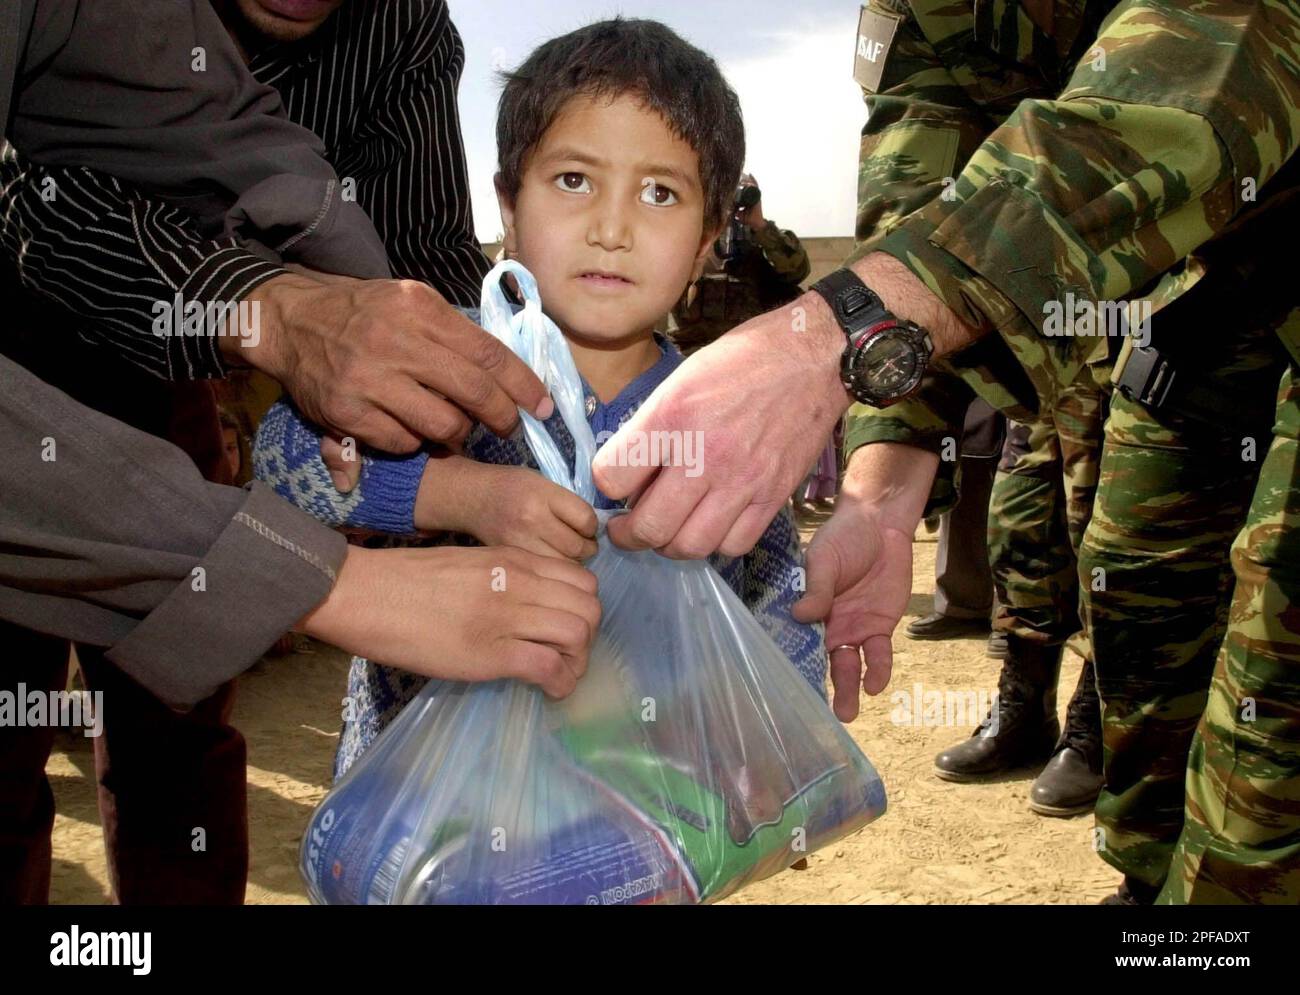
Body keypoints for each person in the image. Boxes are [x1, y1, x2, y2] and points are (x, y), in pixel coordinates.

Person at [589, 1, 1300, 903]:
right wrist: (883, 487)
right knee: (1137, 577)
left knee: (1267, 719)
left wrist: (828, 335)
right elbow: (916, 171)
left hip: (1215, 227)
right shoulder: (913, 11)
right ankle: (1149, 881)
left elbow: (1206, 67)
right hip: (1191, 292)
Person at [254, 17, 827, 777]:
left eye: (660, 192)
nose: (611, 227)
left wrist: (775, 762)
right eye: (573, 180)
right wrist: (459, 493)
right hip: (428, 814)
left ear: (707, 237)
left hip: (638, 821)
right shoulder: (447, 358)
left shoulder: (716, 420)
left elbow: (782, 596)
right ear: (509, 208)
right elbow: (281, 457)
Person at [670, 173, 810, 355]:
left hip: (748, 357)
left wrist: (759, 224)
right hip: (692, 359)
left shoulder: (762, 243)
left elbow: (797, 271)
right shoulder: (686, 241)